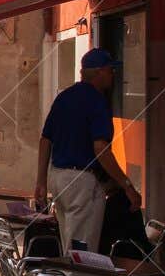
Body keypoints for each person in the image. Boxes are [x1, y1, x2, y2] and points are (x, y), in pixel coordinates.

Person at [34, 48, 142, 254]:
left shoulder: (63, 98)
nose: (113, 75)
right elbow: (101, 148)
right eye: (110, 70)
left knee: (70, 244)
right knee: (81, 252)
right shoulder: (97, 101)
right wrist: (126, 185)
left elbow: (45, 140)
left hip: (58, 178)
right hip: (81, 182)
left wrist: (41, 181)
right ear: (99, 72)